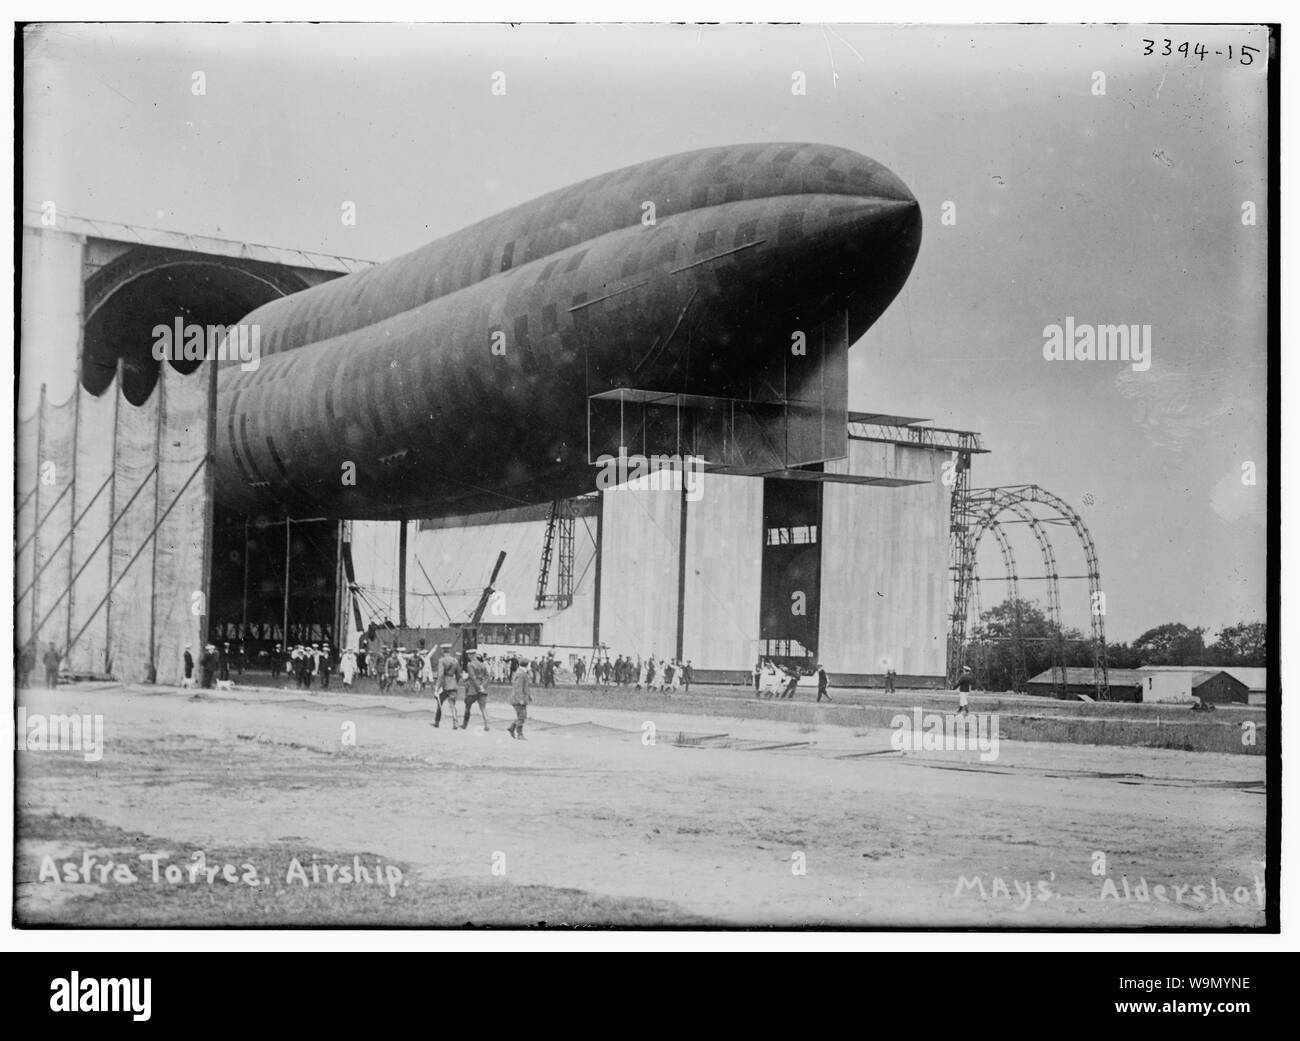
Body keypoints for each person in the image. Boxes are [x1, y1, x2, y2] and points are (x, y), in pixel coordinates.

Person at [462, 651, 491, 730]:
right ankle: (487, 724)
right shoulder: (483, 665)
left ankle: (464, 724)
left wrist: (478, 687)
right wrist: (483, 687)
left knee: (468, 707)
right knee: (483, 708)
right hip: (482, 689)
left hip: (473, 689)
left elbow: (473, 677)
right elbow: (488, 677)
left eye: (469, 655)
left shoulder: (470, 665)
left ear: (470, 656)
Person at [434, 647, 460, 728]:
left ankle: (437, 721)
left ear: (443, 651)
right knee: (452, 704)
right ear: (449, 651)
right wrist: (455, 682)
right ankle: (455, 722)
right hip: (453, 684)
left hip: (445, 685)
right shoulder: (455, 660)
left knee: (439, 703)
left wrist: (437, 687)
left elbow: (440, 675)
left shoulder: (441, 660)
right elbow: (458, 674)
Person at [508, 657, 532, 740]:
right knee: (522, 716)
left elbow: (524, 687)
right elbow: (518, 688)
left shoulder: (521, 673)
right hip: (518, 699)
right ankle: (519, 734)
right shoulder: (521, 674)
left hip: (520, 699)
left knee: (521, 716)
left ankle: (512, 727)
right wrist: (521, 699)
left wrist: (528, 696)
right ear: (527, 665)